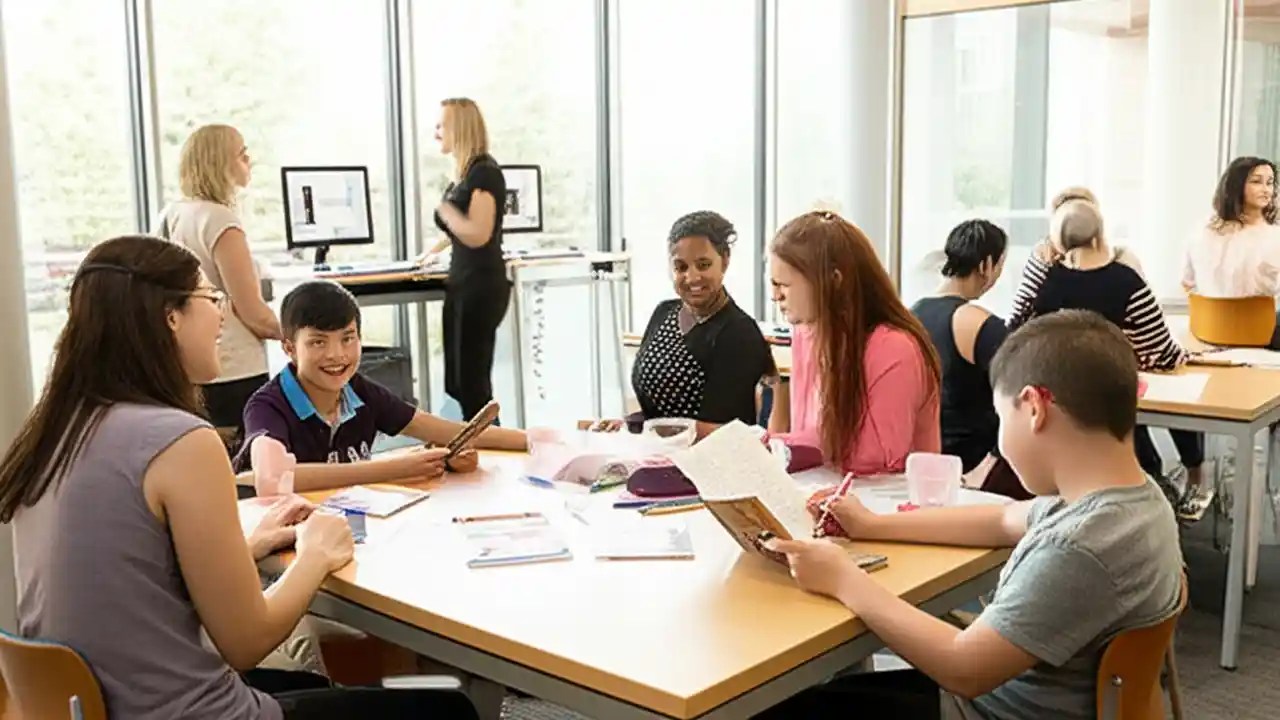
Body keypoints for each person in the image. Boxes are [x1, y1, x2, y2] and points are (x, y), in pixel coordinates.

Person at [4, 236, 477, 719]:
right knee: (448, 710)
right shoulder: (180, 441)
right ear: (172, 316)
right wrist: (314, 555)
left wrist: (244, 550)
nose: (223, 316)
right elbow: (247, 642)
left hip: (90, 707)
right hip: (187, 712)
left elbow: (124, 577)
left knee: (317, 685)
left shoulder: (54, 433)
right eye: (211, 298)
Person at [759, 310, 1184, 720]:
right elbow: (1001, 521)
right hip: (1036, 701)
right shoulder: (1133, 502)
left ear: (1034, 407)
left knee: (785, 706)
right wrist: (874, 524)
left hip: (983, 708)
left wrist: (844, 579)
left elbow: (965, 669)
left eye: (1001, 416)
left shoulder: (1078, 547)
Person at [1008, 199, 1211, 520]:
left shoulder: (1044, 279)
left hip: (1052, 408)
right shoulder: (1127, 282)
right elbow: (1163, 352)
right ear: (1099, 234)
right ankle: (1173, 498)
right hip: (1107, 402)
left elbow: (1016, 328)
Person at [234, 280, 527, 492]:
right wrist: (393, 469)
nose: (336, 354)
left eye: (348, 338)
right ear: (289, 348)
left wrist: (534, 440)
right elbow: (272, 479)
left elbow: (444, 430)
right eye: (318, 342)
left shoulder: (357, 390)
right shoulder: (268, 405)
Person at [767, 211, 941, 476]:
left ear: (834, 281)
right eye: (773, 284)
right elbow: (809, 438)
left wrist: (779, 446)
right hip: (824, 495)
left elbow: (876, 460)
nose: (775, 296)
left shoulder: (895, 348)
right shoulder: (806, 332)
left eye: (784, 285)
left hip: (889, 506)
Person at [157, 124, 282, 450]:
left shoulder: (175, 214)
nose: (250, 161)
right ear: (220, 164)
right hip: (236, 368)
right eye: (242, 155)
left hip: (194, 362)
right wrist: (298, 334)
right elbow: (252, 311)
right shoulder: (222, 222)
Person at [609, 211, 776, 436]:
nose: (692, 277)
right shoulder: (663, 312)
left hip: (710, 462)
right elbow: (655, 409)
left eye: (704, 264)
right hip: (656, 450)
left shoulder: (740, 333)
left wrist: (644, 432)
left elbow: (728, 430)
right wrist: (625, 426)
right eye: (681, 267)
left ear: (725, 260)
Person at [910, 220, 1027, 500]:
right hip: (975, 465)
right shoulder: (976, 322)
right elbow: (1024, 391)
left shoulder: (910, 315)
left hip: (923, 465)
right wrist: (990, 462)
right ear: (987, 265)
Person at [417, 97, 510, 421]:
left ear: (460, 128)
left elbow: (478, 232)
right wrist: (432, 252)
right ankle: (479, 449)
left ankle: (495, 451)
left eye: (442, 125)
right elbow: (461, 228)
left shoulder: (485, 172)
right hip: (464, 285)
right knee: (459, 382)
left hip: (480, 288)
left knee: (473, 386)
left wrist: (444, 212)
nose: (436, 133)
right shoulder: (466, 174)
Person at [1183, 156, 1280, 347]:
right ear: (1236, 185)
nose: (1266, 190)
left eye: (1270, 183)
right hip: (1261, 333)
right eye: (1256, 181)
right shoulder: (1274, 237)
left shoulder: (1200, 229)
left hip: (1208, 330)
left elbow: (1187, 283)